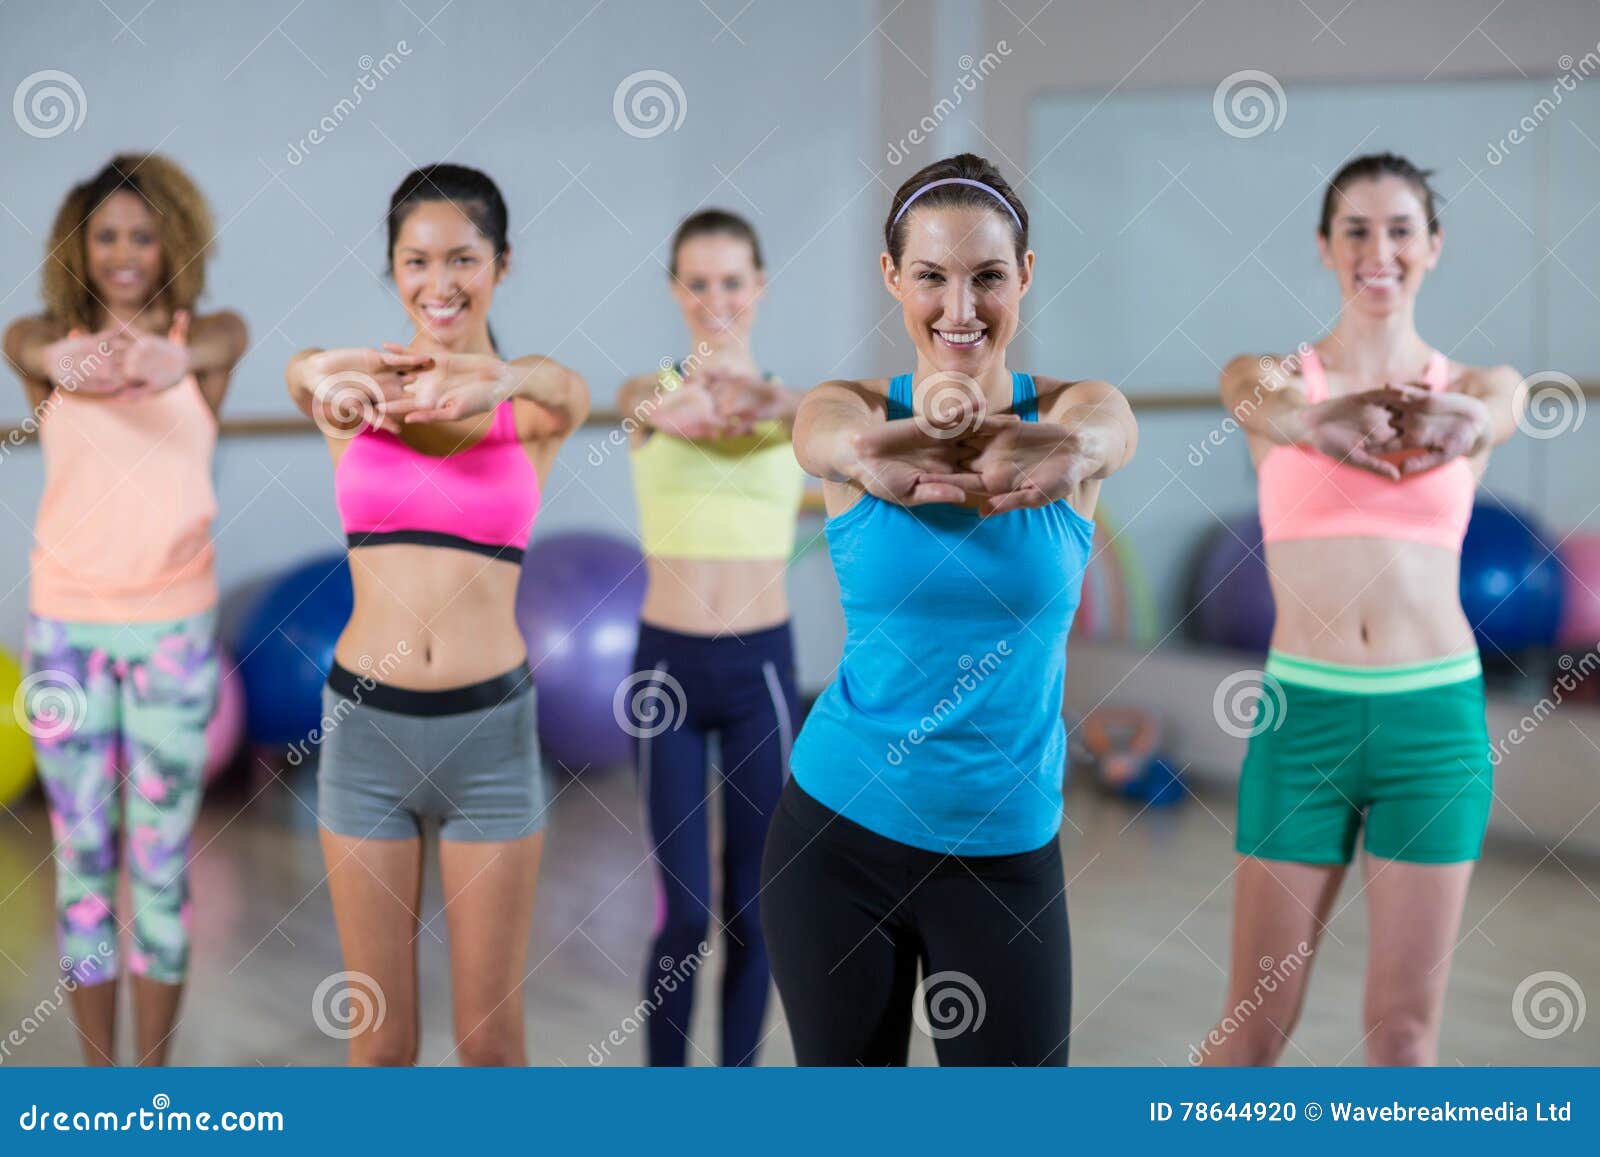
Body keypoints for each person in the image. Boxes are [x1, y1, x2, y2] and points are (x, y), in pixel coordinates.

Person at [759, 153, 1137, 1066]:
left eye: (988, 277)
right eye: (931, 276)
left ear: (1027, 277)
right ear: (893, 278)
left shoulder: (1071, 412)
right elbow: (819, 433)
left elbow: (1111, 425)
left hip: (1004, 851)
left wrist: (1062, 452)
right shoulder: (848, 409)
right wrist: (866, 456)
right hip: (836, 838)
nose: (960, 309)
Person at [1201, 152, 1522, 1067]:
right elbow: (1241, 392)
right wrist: (1319, 423)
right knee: (1251, 1028)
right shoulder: (1275, 382)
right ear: (1324, 247)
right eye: (1356, 230)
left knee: (1403, 1032)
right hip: (1303, 718)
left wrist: (1460, 421)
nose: (1377, 250)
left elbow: (1505, 405)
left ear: (1433, 247)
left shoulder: (1476, 384)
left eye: (1399, 229)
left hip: (1434, 727)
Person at [284, 163, 588, 1066]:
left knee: (491, 1041)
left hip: (490, 734)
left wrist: (497, 379)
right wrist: (330, 375)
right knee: (378, 1044)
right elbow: (301, 371)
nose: (439, 282)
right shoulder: (358, 401)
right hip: (365, 735)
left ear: (501, 261)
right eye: (415, 261)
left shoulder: (529, 406)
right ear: (393, 267)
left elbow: (565, 385)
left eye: (463, 257)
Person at [2, 154, 247, 1065]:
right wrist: (64, 356)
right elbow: (21, 341)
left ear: (171, 241)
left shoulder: (204, 340)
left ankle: (153, 1083)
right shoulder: (46, 341)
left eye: (143, 234)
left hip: (174, 634)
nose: (125, 252)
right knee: (82, 866)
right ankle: (100, 1080)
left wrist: (169, 357)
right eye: (106, 235)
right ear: (80, 246)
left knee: (159, 864)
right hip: (66, 631)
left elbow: (225, 336)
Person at [615, 210, 805, 1066]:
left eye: (732, 281)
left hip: (761, 669)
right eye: (697, 282)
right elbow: (634, 404)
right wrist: (678, 402)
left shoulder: (800, 410)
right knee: (686, 910)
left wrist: (768, 400)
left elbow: (842, 412)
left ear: (760, 287)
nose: (715, 299)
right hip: (668, 671)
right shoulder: (649, 398)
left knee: (758, 909)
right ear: (674, 291)